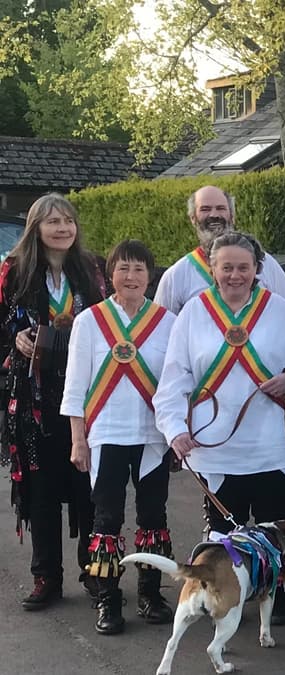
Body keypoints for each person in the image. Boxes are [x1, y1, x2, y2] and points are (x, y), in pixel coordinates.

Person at [153, 231, 285, 626]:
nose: (235, 275)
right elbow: (173, 380)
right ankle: (224, 595)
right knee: (225, 532)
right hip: (216, 447)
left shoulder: (278, 310)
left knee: (274, 526)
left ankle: (274, 594)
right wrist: (175, 430)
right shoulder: (193, 313)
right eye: (226, 267)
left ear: (257, 269)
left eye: (243, 267)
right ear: (212, 269)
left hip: (272, 444)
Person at [62, 240, 177, 634]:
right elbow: (75, 386)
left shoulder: (167, 322)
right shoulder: (89, 321)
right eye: (123, 268)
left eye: (139, 269)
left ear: (150, 276)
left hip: (152, 436)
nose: (131, 277)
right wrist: (78, 439)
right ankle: (108, 599)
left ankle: (150, 593)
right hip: (106, 434)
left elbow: (176, 382)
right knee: (106, 519)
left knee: (154, 516)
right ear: (110, 274)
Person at [0, 193, 106, 610]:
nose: (62, 228)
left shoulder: (92, 270)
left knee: (88, 489)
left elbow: (109, 320)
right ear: (36, 228)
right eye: (52, 221)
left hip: (87, 398)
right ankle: (46, 576)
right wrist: (16, 340)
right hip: (35, 400)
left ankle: (94, 572)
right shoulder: (14, 272)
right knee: (40, 490)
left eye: (68, 220)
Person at [153, 185, 285, 315]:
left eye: (221, 208)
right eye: (205, 209)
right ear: (193, 218)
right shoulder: (176, 275)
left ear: (232, 215)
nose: (214, 215)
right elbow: (161, 329)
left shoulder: (265, 262)